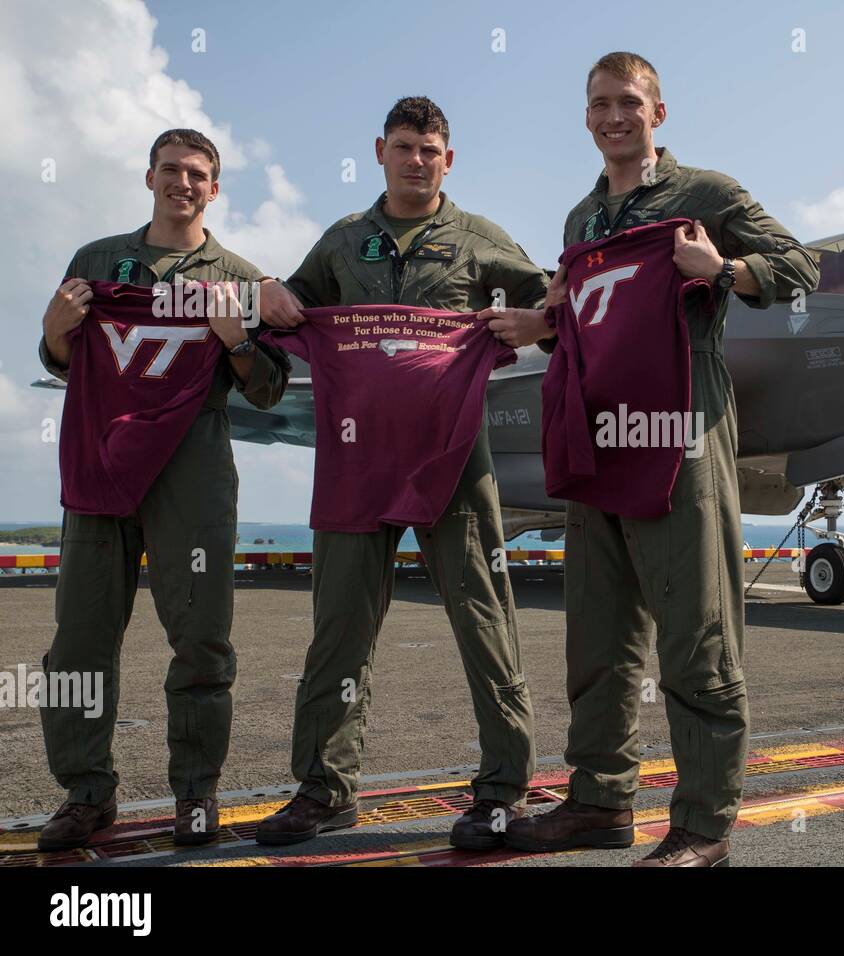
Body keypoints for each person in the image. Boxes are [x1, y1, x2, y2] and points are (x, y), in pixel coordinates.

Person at [488, 53, 820, 866]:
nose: (613, 116)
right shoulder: (579, 220)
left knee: (696, 636)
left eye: (628, 103)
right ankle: (599, 803)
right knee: (597, 639)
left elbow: (802, 266)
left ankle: (705, 827)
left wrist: (727, 269)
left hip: (679, 433)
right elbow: (596, 318)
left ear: (657, 114)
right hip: (598, 437)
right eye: (599, 104)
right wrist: (546, 324)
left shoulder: (706, 195)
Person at [254, 97, 543, 849]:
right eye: (406, 147)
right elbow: (288, 312)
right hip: (355, 460)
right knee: (339, 628)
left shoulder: (479, 240)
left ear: (450, 160)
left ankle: (504, 790)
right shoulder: (343, 242)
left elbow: (553, 298)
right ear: (380, 150)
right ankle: (324, 789)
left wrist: (534, 321)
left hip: (453, 458)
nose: (418, 160)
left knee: (484, 619)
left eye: (432, 150)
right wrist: (259, 295)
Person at [36, 128, 291, 850]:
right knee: (78, 643)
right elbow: (65, 361)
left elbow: (269, 390)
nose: (185, 182)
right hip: (99, 463)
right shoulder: (96, 260)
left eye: (199, 174)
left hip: (193, 476)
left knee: (202, 641)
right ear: (149, 177)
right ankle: (85, 795)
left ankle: (196, 795)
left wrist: (237, 338)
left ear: (215, 188)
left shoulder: (239, 276)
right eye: (173, 170)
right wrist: (53, 334)